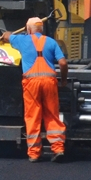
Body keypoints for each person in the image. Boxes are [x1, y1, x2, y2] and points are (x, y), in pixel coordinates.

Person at [8, 16, 68, 162]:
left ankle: (34, 153)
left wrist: (6, 34)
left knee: (33, 115)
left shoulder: (22, 40)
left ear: (28, 29)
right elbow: (63, 62)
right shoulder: (51, 42)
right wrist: (64, 80)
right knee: (52, 114)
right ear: (42, 29)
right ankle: (58, 148)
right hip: (49, 81)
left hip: (31, 83)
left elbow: (7, 36)